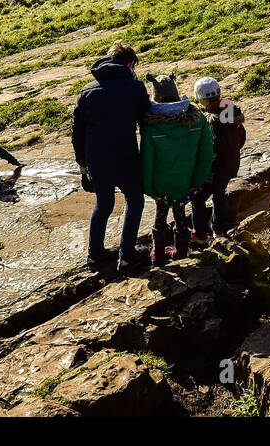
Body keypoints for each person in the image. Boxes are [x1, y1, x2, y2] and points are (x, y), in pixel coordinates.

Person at [72, 41, 152, 273]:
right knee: (135, 201)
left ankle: (95, 255)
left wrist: (83, 167)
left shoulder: (87, 90)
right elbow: (147, 118)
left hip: (96, 159)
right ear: (129, 63)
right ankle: (127, 255)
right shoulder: (134, 86)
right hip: (125, 156)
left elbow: (77, 133)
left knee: (103, 204)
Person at [140, 75, 213, 266]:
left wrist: (149, 188)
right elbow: (206, 155)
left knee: (160, 216)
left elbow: (147, 161)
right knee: (180, 216)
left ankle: (158, 253)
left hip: (161, 186)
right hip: (187, 182)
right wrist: (196, 182)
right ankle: (181, 251)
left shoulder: (150, 125)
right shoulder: (198, 119)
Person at [190, 76, 247, 241]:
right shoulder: (230, 111)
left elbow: (211, 148)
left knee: (198, 198)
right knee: (219, 195)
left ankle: (200, 233)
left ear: (200, 99)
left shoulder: (210, 120)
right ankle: (218, 229)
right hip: (231, 165)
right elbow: (241, 139)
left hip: (214, 168)